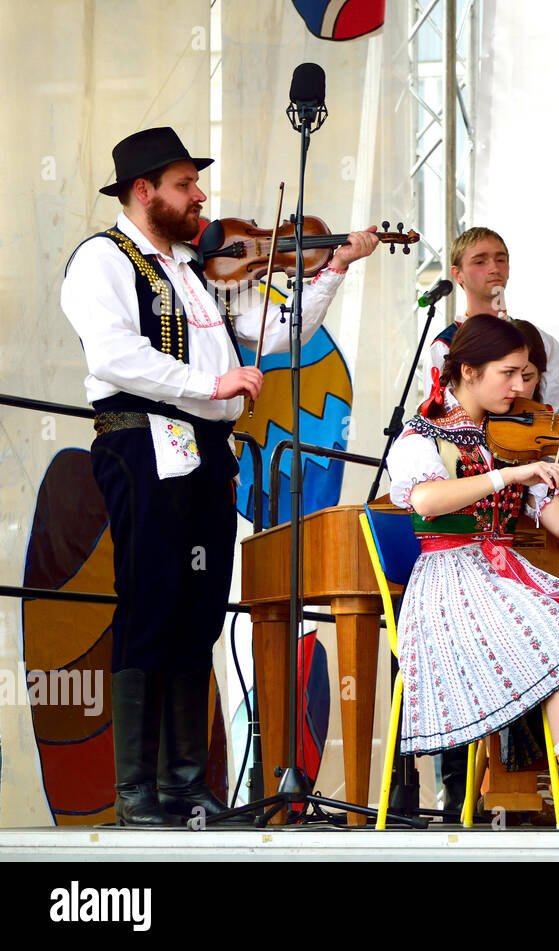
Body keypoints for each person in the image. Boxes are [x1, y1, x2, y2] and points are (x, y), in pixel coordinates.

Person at [61, 127, 379, 826]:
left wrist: (333, 269)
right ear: (142, 191)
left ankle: (184, 786)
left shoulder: (193, 270)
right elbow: (114, 355)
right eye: (183, 184)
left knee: (198, 607)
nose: (199, 194)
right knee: (150, 601)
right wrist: (211, 379)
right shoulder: (102, 259)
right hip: (141, 440)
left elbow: (272, 336)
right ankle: (138, 790)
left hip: (203, 451)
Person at [387, 315, 559, 829]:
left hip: (503, 575)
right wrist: (506, 474)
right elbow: (426, 499)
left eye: (526, 374)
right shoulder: (422, 438)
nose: (520, 387)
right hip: (450, 582)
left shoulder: (507, 440)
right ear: (468, 371)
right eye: (508, 373)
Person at [418, 227, 559, 416]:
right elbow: (441, 420)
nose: (494, 268)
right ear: (457, 274)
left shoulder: (534, 337)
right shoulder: (445, 346)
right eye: (480, 262)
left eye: (501, 260)